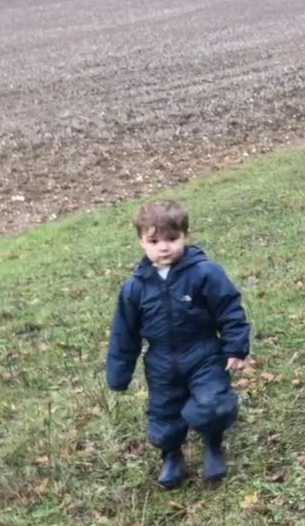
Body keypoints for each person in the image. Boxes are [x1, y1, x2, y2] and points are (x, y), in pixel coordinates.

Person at [106, 199, 251, 488]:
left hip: (204, 353)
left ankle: (212, 443)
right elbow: (125, 332)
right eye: (154, 240)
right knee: (164, 412)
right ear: (141, 242)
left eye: (172, 239)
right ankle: (171, 455)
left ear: (185, 235)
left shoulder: (205, 273)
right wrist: (119, 373)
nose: (164, 247)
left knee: (214, 403)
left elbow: (229, 308)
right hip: (161, 361)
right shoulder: (135, 287)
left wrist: (235, 346)